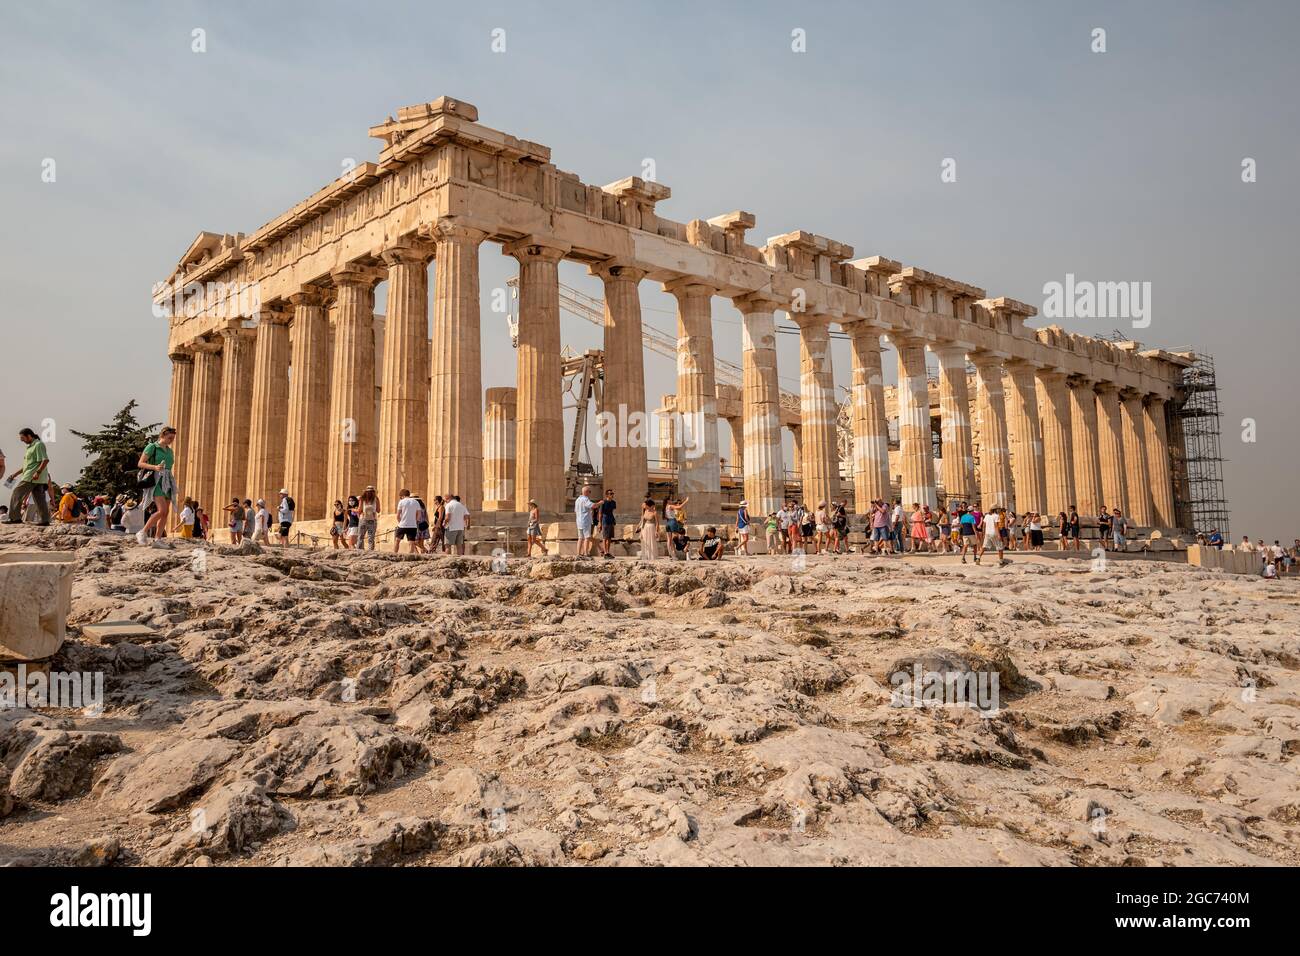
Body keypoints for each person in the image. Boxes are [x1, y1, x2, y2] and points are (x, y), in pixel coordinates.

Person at [137, 426, 178, 544]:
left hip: (168, 480)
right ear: (163, 435)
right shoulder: (152, 447)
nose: (171, 440)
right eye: (170, 437)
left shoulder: (170, 451)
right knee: (161, 510)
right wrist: (154, 467)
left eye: (173, 439)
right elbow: (140, 463)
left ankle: (158, 539)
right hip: (156, 480)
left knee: (166, 512)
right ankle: (143, 531)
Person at [4, 428, 51, 525]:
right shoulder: (31, 447)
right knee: (39, 499)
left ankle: (15, 518)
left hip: (32, 477)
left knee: (16, 493)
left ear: (29, 435)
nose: (21, 440)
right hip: (36, 477)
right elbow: (28, 465)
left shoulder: (38, 445)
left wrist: (37, 472)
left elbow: (45, 460)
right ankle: (45, 520)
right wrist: (15, 474)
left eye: (22, 437)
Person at [574, 485, 595, 559]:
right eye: (589, 492)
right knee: (587, 537)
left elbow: (575, 511)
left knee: (580, 538)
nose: (590, 493)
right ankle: (586, 553)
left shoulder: (577, 500)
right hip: (585, 520)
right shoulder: (585, 499)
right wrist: (600, 503)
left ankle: (578, 553)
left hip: (579, 521)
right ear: (586, 492)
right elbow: (593, 506)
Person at [598, 489, 617, 559]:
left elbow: (612, 512)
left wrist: (614, 520)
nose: (612, 495)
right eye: (610, 493)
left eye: (612, 493)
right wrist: (600, 523)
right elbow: (600, 513)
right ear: (607, 495)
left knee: (609, 537)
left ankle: (608, 552)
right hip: (605, 520)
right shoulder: (603, 502)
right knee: (605, 537)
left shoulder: (613, 502)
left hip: (611, 520)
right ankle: (605, 552)